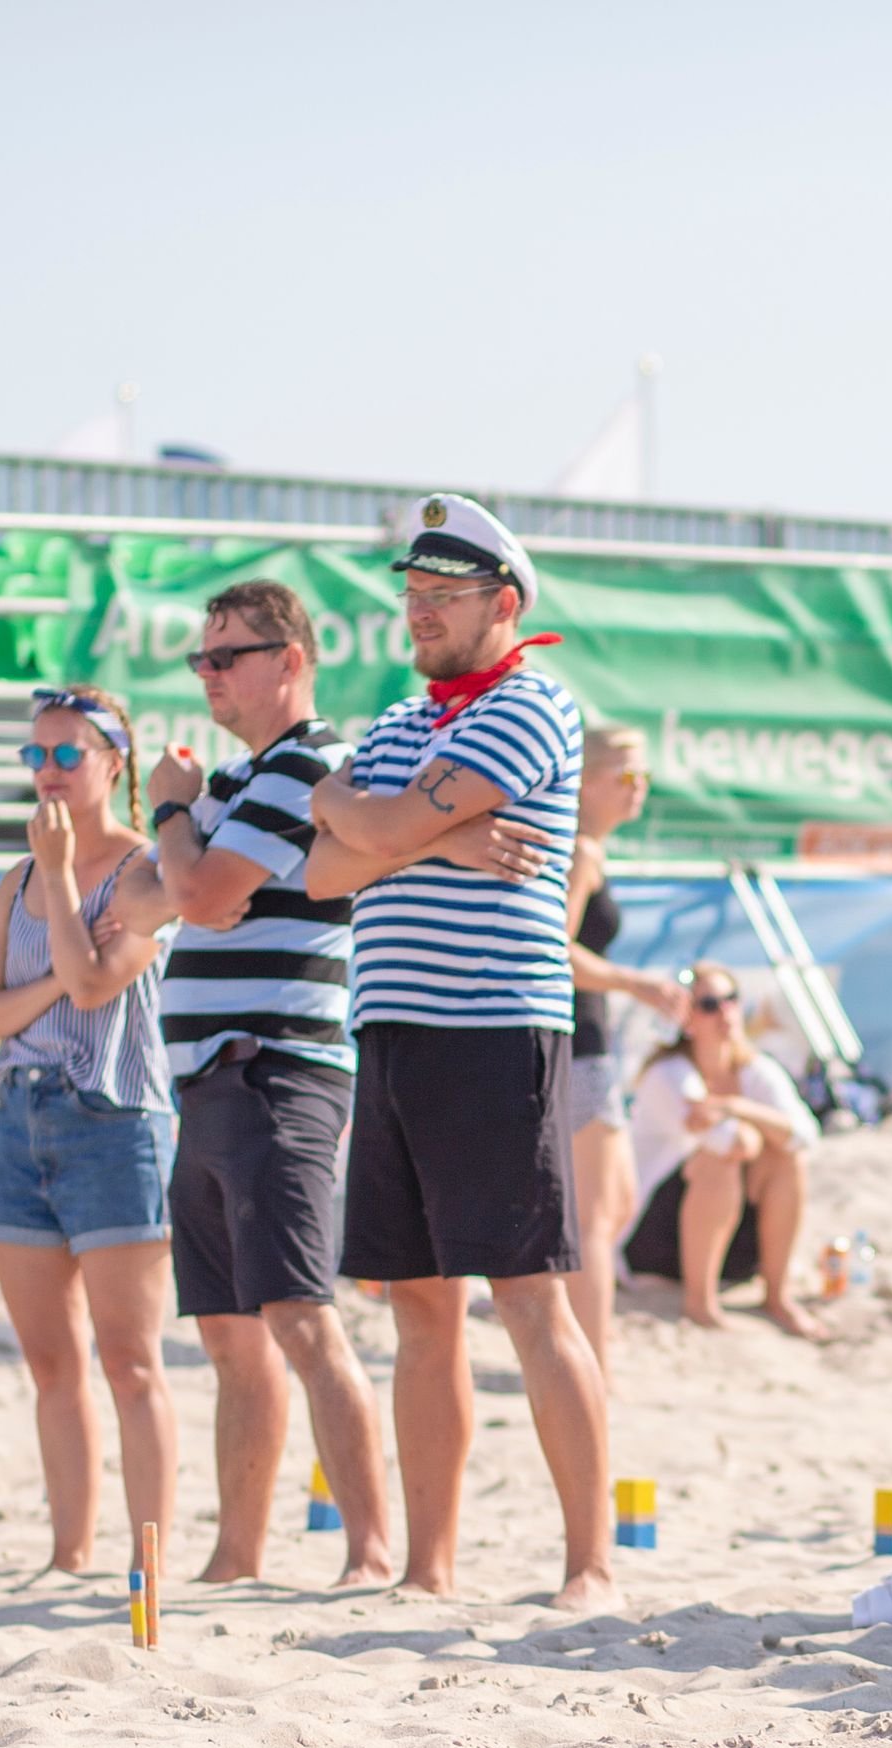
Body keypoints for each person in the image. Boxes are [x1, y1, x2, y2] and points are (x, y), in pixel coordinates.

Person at [298, 494, 618, 1607]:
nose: (419, 611)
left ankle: (592, 1565)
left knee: (530, 1301)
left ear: (505, 603)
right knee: (419, 1310)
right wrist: (417, 827)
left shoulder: (533, 707)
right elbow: (319, 875)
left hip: (492, 1027)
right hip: (391, 1029)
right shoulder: (396, 724)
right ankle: (429, 1567)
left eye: (443, 596)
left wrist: (371, 817)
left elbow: (365, 840)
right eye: (413, 595)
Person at [150, 580, 420, 1589]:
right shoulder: (237, 778)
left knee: (303, 1319)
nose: (209, 673)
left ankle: (370, 1550)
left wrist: (173, 817)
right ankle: (238, 1555)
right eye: (203, 658)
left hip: (277, 1068)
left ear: (289, 661)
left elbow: (199, 894)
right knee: (229, 1335)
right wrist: (180, 843)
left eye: (229, 655)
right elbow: (153, 896)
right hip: (212, 1080)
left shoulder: (313, 767)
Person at [0, 688, 180, 1573]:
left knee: (131, 1361)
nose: (47, 773)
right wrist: (60, 968)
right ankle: (69, 1554)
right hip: (22, 1114)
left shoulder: (143, 871)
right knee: (52, 1364)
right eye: (36, 756)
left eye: (67, 755)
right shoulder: (16, 879)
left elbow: (97, 988)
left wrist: (57, 880)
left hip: (113, 1115)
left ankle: (148, 1565)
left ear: (112, 764)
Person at [560, 722, 688, 1380]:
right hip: (576, 1043)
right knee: (594, 1217)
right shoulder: (579, 849)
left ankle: (586, 1356)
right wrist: (633, 981)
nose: (639, 790)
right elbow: (554, 948)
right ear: (586, 779)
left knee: (609, 1205)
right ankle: (590, 1365)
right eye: (627, 776)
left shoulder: (590, 848)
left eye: (645, 777)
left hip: (588, 1043)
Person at [625, 968, 826, 1330]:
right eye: (709, 1005)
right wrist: (757, 1129)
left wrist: (735, 1107)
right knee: (720, 1161)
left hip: (726, 1236)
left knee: (788, 1159)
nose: (726, 1013)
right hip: (653, 1241)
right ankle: (699, 1304)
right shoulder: (668, 1075)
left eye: (732, 999)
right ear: (685, 1019)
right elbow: (732, 1143)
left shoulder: (755, 1069)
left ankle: (777, 1296)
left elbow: (805, 1135)